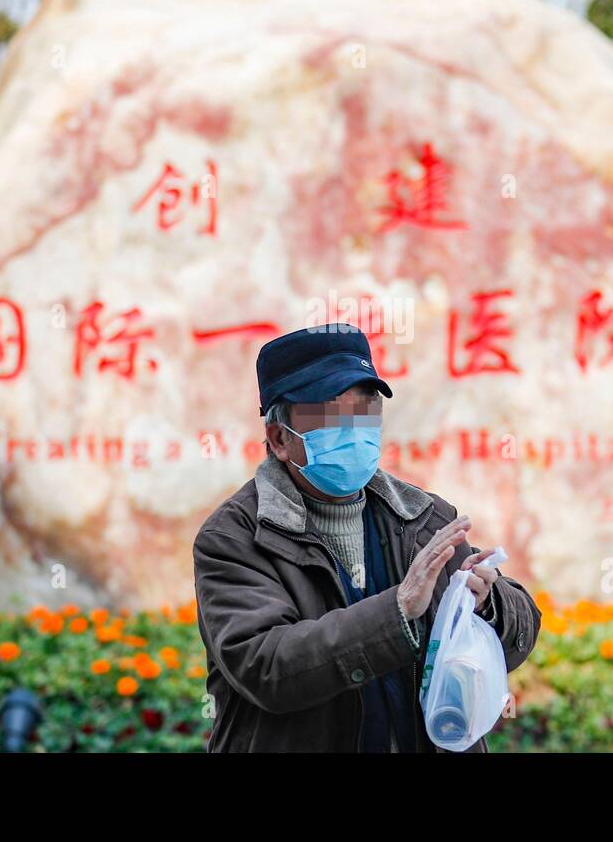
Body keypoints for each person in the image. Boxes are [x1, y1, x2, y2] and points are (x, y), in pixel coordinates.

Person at [193, 322, 541, 752]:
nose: (354, 428)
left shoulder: (422, 516)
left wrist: (489, 605)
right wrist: (396, 613)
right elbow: (268, 668)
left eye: (365, 408)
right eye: (329, 414)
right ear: (280, 438)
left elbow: (514, 638)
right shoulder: (235, 538)